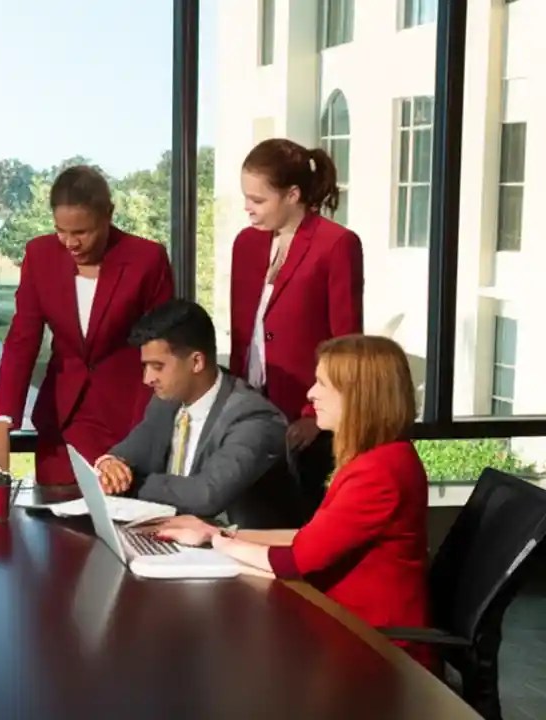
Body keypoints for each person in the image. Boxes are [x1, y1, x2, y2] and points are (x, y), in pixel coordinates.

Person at [155, 335, 433, 669]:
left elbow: (295, 560)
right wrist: (215, 532)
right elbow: (308, 537)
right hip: (344, 624)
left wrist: (214, 541)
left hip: (373, 646)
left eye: (321, 384)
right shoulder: (379, 459)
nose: (310, 394)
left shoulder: (378, 473)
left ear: (357, 396)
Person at [0, 165, 174, 485]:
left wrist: (143, 436)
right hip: (62, 426)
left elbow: (162, 353)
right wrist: (2, 425)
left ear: (108, 215)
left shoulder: (147, 260)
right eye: (61, 230)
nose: (70, 243)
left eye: (81, 232)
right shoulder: (39, 255)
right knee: (54, 528)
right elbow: (21, 342)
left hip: (126, 425)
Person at [230, 138, 364, 518]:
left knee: (296, 523)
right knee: (249, 520)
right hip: (252, 412)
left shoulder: (336, 244)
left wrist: (313, 415)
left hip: (308, 420)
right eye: (246, 197)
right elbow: (246, 333)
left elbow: (346, 343)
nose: (247, 208)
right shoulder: (246, 244)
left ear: (292, 194)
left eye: (258, 200)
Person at [93, 299, 297, 527]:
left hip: (230, 552)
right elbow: (135, 447)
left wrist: (129, 484)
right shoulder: (166, 402)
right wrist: (110, 465)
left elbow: (205, 496)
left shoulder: (255, 418)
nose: (147, 379)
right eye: (145, 366)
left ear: (197, 362)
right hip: (172, 539)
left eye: (157, 367)